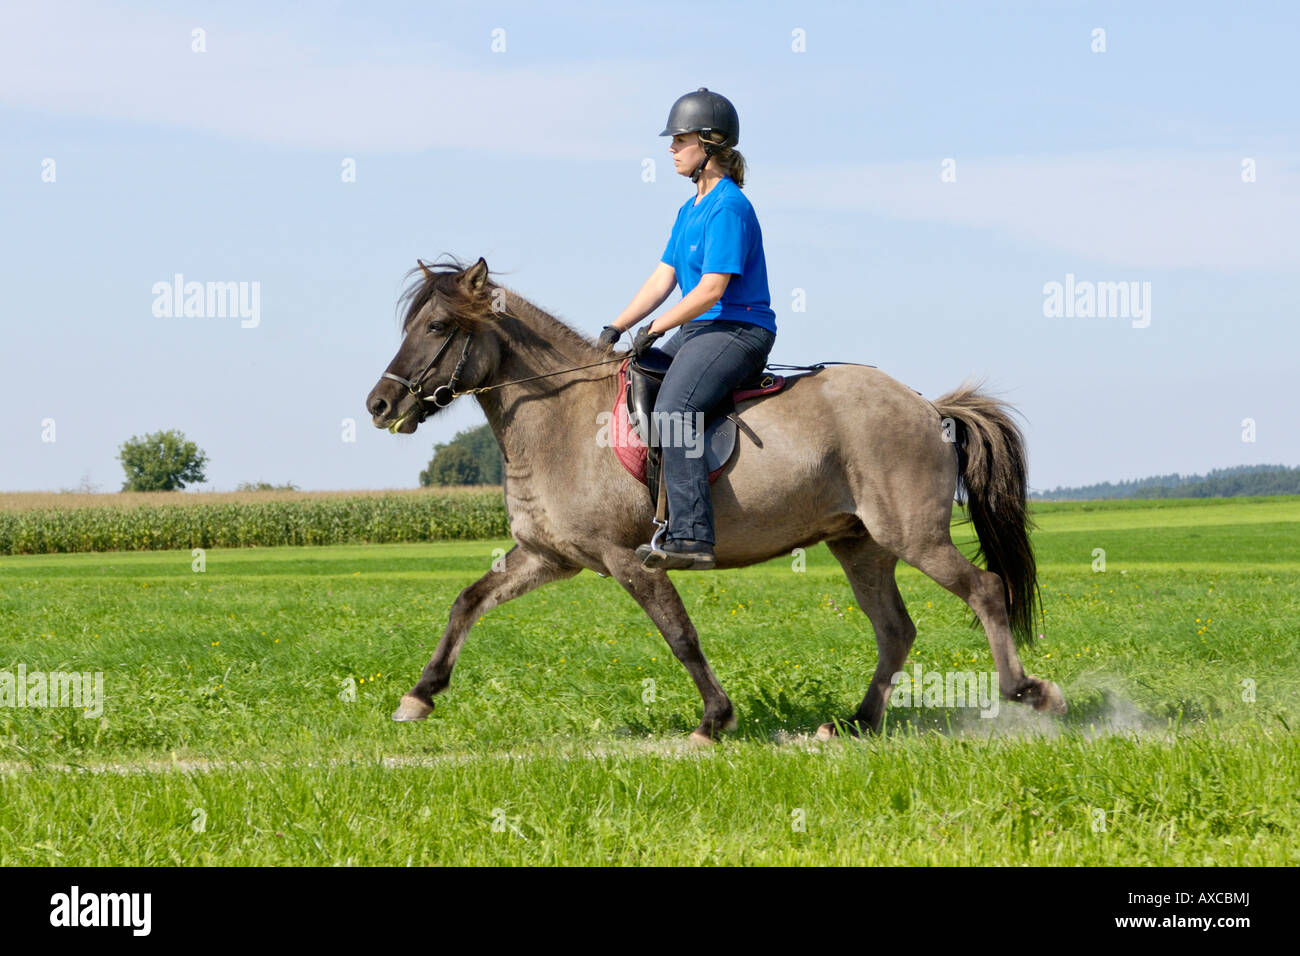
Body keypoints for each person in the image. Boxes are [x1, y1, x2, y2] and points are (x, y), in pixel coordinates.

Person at [599, 88, 777, 571]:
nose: (671, 148)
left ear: (710, 144)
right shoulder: (688, 211)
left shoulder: (728, 206)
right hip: (697, 330)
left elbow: (712, 290)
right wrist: (617, 326)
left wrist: (655, 327)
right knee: (634, 380)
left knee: (676, 407)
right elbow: (665, 278)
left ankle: (692, 534)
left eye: (679, 139)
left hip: (736, 330)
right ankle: (657, 508)